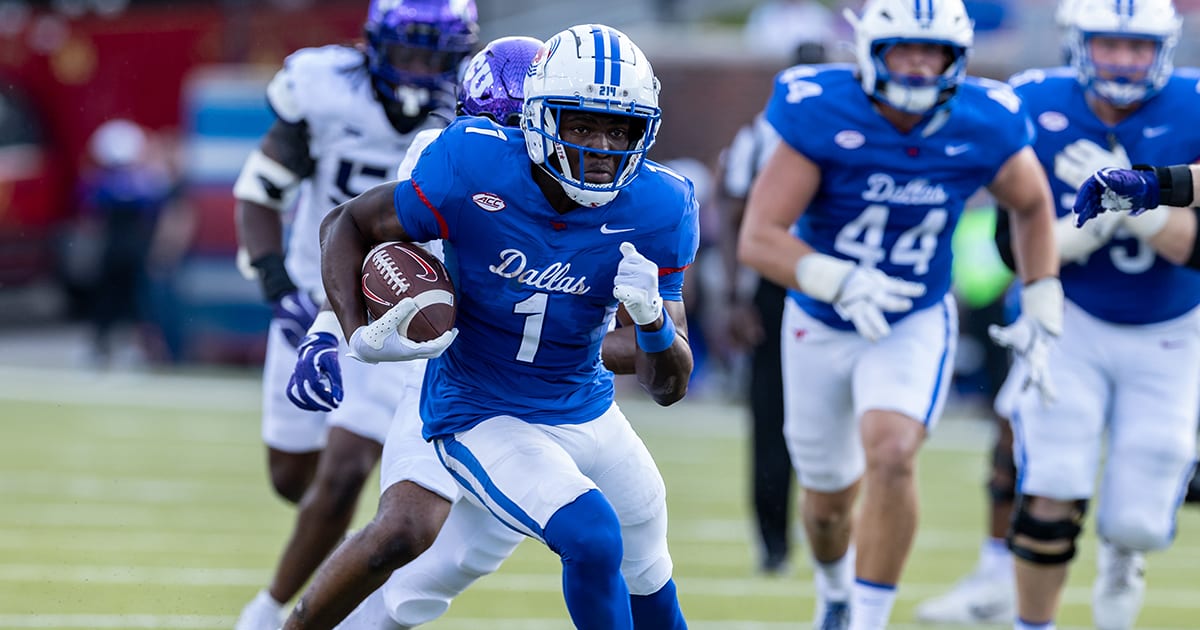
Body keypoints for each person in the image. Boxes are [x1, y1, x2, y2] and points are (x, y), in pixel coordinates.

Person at [280, 24, 698, 630]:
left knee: (649, 569)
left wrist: (655, 322)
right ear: (534, 119)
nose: (602, 147)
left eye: (620, 128)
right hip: (477, 403)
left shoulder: (662, 205)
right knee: (582, 535)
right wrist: (343, 329)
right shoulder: (469, 160)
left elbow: (669, 386)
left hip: (585, 405)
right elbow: (350, 223)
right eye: (581, 125)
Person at [736, 0, 1061, 627]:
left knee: (891, 452)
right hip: (821, 318)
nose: (919, 65)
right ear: (870, 52)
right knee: (827, 503)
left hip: (913, 314)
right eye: (905, 49)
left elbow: (1031, 202)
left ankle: (866, 618)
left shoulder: (983, 120)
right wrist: (836, 278)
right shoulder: (823, 109)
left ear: (956, 59)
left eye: (934, 52)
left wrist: (1042, 291)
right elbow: (760, 236)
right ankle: (834, 588)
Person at [283, 35, 543, 630]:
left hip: (548, 395)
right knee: (404, 529)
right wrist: (331, 330)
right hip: (450, 375)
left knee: (439, 577)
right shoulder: (443, 158)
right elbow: (385, 252)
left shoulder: (596, 189)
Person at [231, 2, 478, 628]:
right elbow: (261, 192)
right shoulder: (324, 91)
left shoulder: (475, 112)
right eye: (411, 51)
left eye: (437, 53)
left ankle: (273, 611)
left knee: (344, 474)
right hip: (316, 299)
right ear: (375, 45)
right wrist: (276, 285)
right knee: (294, 478)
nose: (423, 71)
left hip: (401, 311)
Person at [976, 1, 1200, 629]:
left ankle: (1125, 555)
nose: (1124, 61)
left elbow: (1197, 250)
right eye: (1110, 45)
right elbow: (1006, 245)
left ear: (1165, 50)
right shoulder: (1034, 101)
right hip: (1069, 319)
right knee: (1052, 484)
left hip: (1171, 325)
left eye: (1138, 48)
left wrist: (1140, 201)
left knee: (1138, 517)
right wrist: (1077, 232)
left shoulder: (1193, 104)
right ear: (1079, 43)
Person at [77, 118, 178, 366]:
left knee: (117, 300)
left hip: (116, 250)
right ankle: (131, 349)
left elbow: (90, 212)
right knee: (133, 301)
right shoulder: (143, 182)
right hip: (131, 250)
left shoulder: (107, 182)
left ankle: (111, 348)